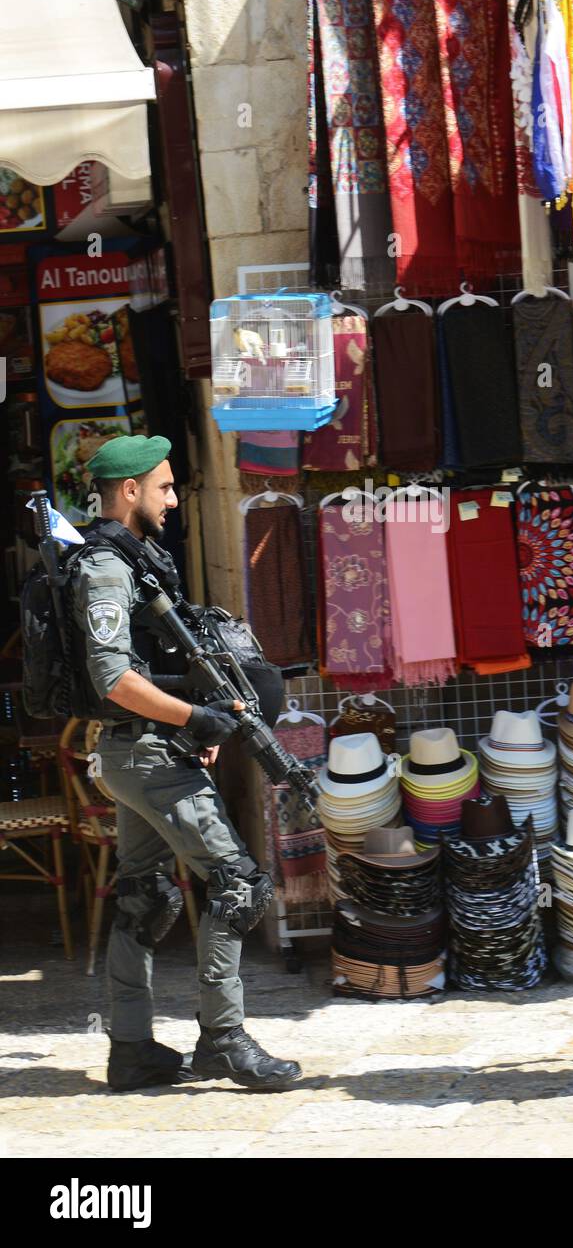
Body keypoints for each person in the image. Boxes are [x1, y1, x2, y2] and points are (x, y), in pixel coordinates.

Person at [72, 433, 301, 1093]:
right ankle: (224, 1040)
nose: (174, 499)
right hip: (147, 754)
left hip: (141, 752)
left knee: (144, 897)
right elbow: (114, 678)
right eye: (165, 487)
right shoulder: (106, 569)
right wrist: (195, 718)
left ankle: (132, 1049)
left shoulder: (129, 557)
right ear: (130, 490)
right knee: (237, 882)